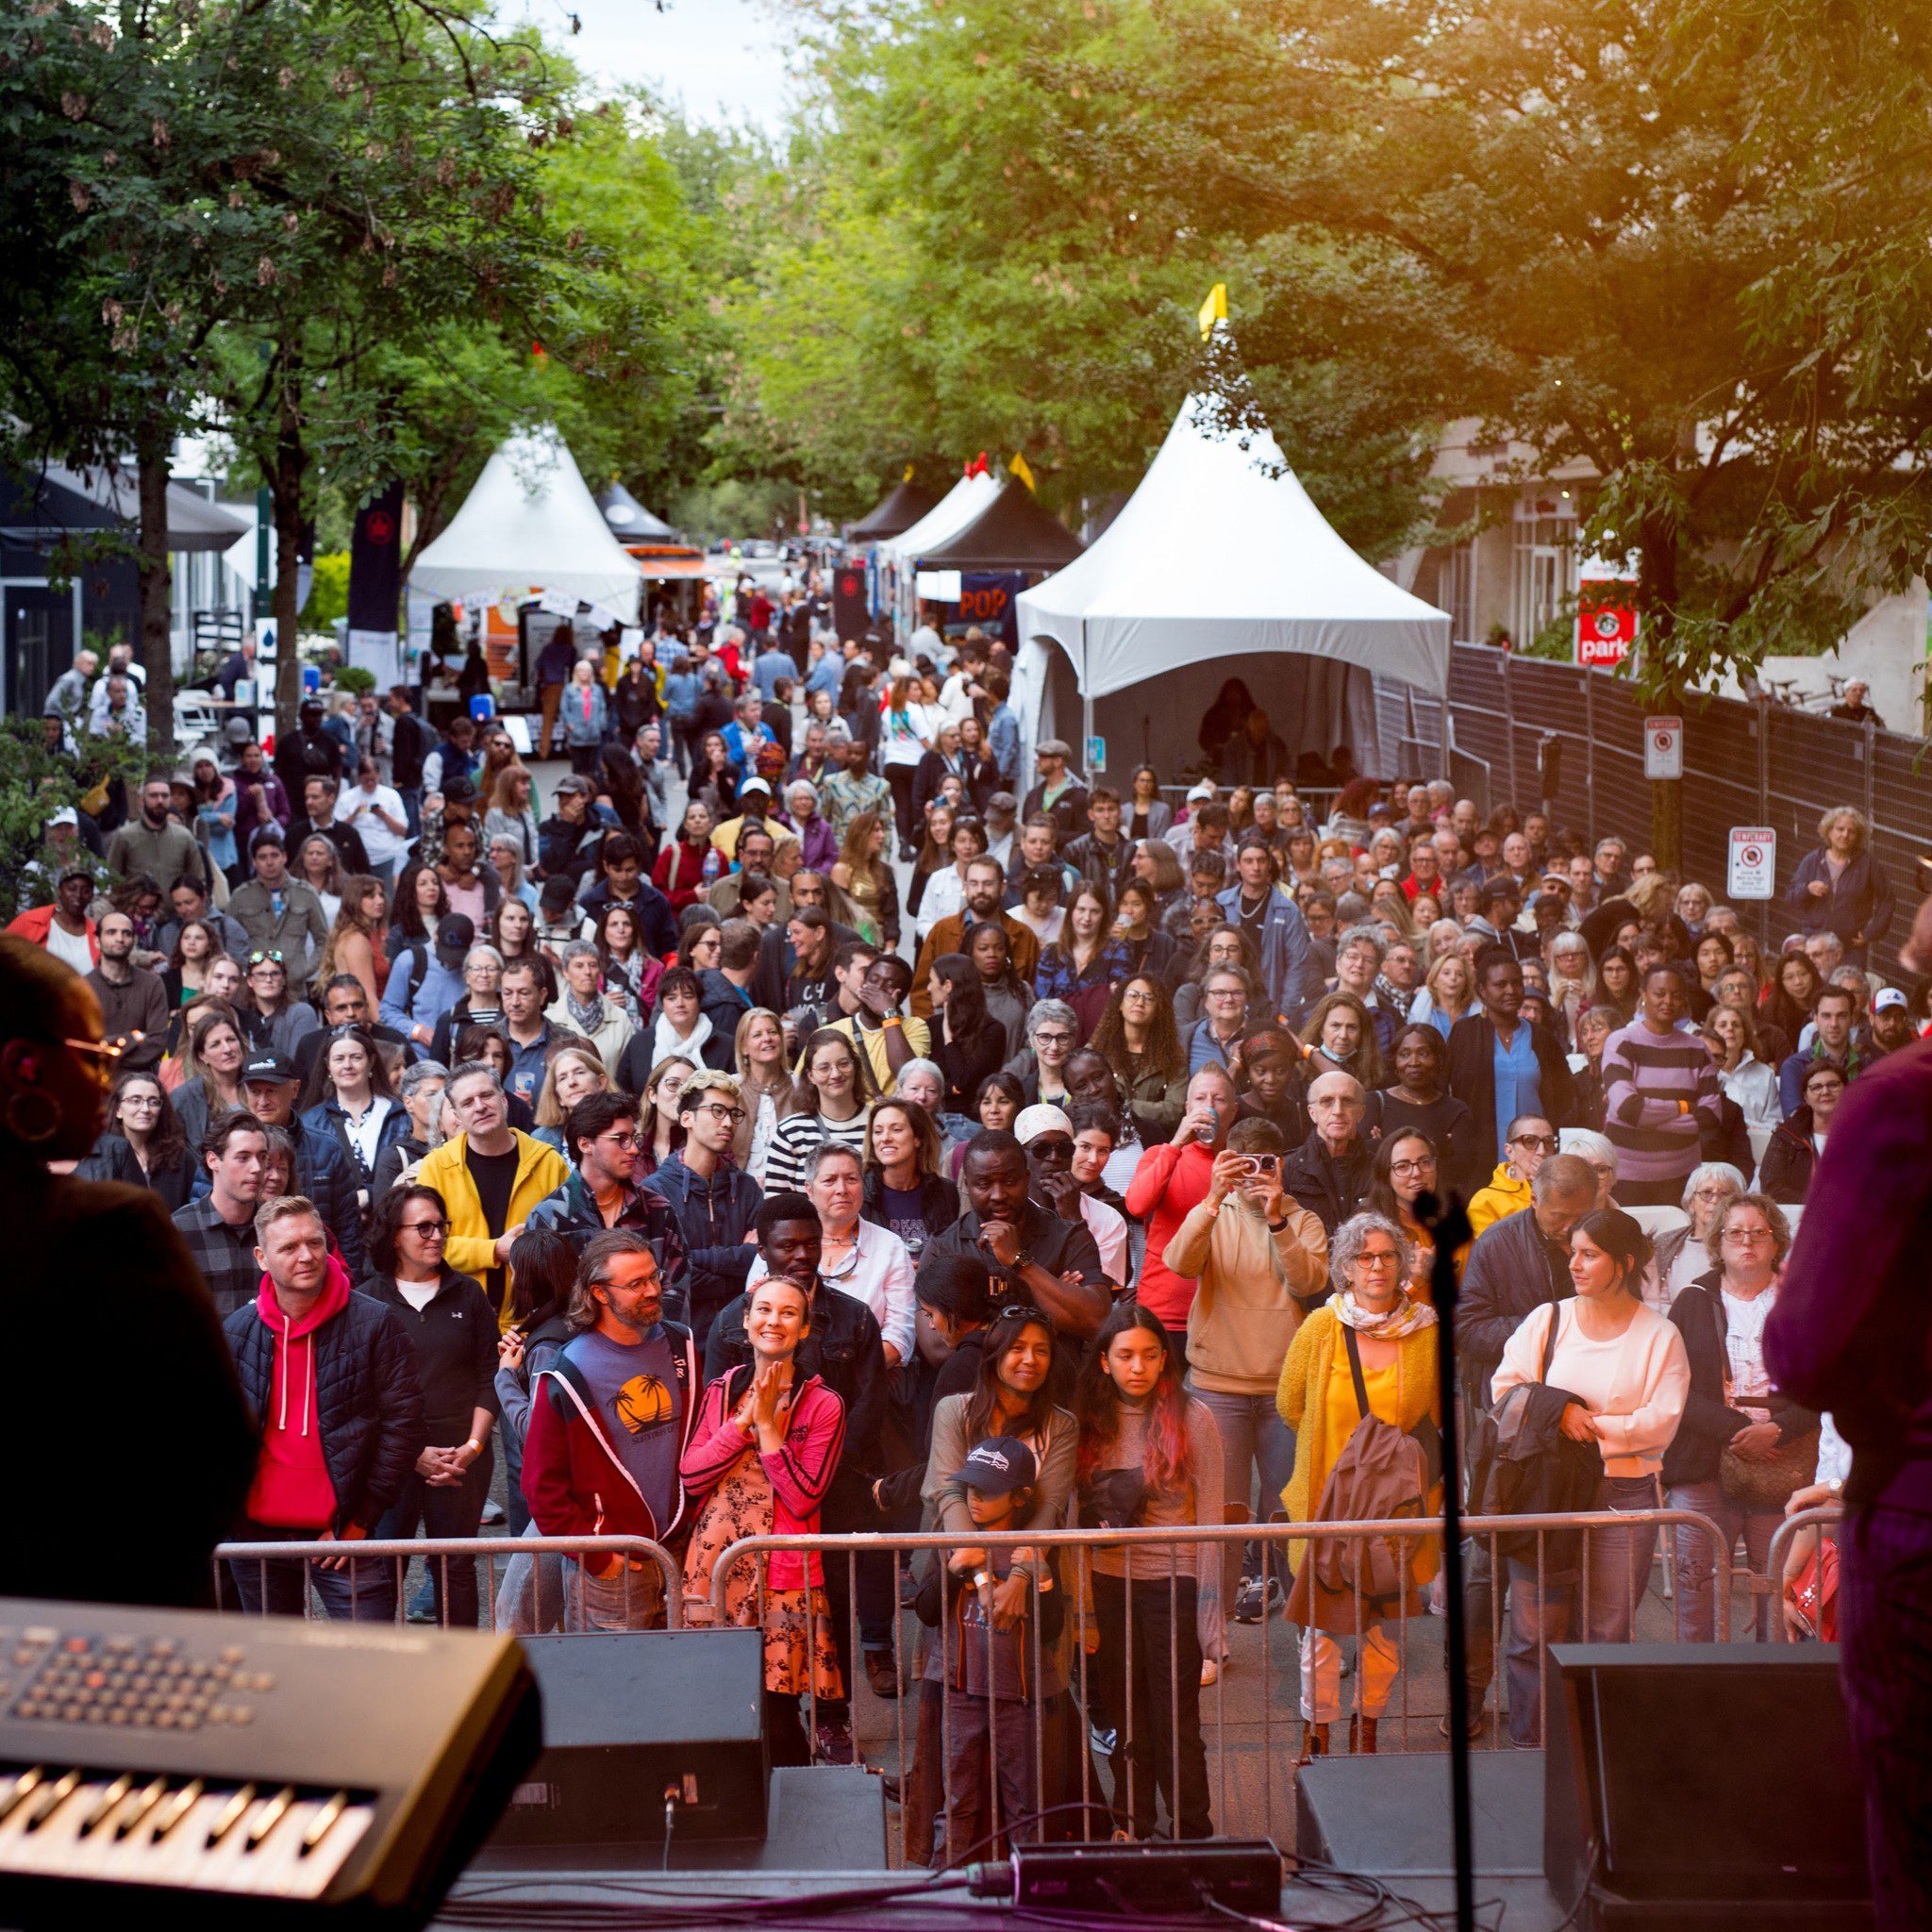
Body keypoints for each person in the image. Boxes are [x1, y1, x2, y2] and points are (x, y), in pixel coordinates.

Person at [1, 940, 257, 1607]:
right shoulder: (110, 1227)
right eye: (95, 1056)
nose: (107, 1081)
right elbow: (215, 1444)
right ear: (24, 1065)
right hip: (108, 1616)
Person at [1277, 1212, 1441, 1761]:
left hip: (1394, 1506)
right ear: (1345, 1268)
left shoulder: (1425, 1331)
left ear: (1402, 1264)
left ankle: (1366, 1729)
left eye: (1388, 1256)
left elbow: (1432, 1415)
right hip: (1327, 1502)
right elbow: (1290, 1404)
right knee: (1321, 1632)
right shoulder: (1320, 1327)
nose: (1377, 1266)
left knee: (1382, 1629)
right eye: (1364, 1257)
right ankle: (1318, 1735)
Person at [222, 1193, 424, 1621]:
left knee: (368, 1656)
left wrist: (362, 1519)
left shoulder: (375, 1323)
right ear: (261, 1258)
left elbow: (404, 1424)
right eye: (289, 1247)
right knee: (275, 1658)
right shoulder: (237, 1331)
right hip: (255, 1538)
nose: (307, 1256)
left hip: (345, 1533)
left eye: (314, 1242)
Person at [681, 1267, 848, 1759]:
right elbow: (691, 1476)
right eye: (765, 1309)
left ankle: (789, 1802)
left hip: (782, 1571)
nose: (774, 1321)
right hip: (715, 1563)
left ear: (804, 1329)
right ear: (747, 1320)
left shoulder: (824, 1404)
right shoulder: (721, 1390)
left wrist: (770, 1427)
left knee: (777, 1709)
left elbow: (804, 1497)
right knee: (717, 1697)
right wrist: (743, 1422)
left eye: (788, 1313)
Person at [1170, 1117, 1327, 1624]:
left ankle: (1308, 1638)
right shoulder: (1212, 1214)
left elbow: (1309, 1283)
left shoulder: (1303, 1220)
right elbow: (1179, 1264)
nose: (1252, 1175)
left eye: (1262, 1164)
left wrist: (1277, 1220)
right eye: (1240, 1165)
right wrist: (1213, 1198)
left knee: (1289, 1518)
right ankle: (1210, 1639)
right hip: (1218, 1387)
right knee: (1221, 1519)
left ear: (1279, 1165)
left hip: (1285, 1390)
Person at [1076, 1301, 1223, 1839]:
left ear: (1165, 1359)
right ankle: (1132, 1825)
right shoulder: (1087, 1422)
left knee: (1177, 1719)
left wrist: (1211, 1621)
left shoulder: (1195, 1418)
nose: (1137, 1367)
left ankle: (1192, 1830)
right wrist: (1082, 1609)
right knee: (1125, 1717)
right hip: (1108, 1583)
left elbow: (1211, 1524)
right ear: (1104, 1361)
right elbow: (1071, 1522)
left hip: (1173, 1584)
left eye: (1149, 1355)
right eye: (1125, 1355)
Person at [522, 1231, 702, 1629]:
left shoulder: (681, 1344)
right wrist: (598, 1559)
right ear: (599, 1293)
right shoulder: (565, 1373)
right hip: (613, 1567)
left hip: (682, 1551)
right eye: (636, 1284)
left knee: (681, 1666)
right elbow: (541, 1487)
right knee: (611, 1669)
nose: (652, 1290)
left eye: (653, 1277)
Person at [1662, 1192, 1813, 1642]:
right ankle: (1700, 1683)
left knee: (1778, 1594)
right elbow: (1674, 1387)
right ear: (1718, 1242)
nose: (1747, 1242)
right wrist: (1740, 1431)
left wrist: (1779, 1430)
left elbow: (1828, 1386)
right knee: (1697, 1596)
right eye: (1735, 1233)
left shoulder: (1803, 1301)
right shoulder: (1692, 1301)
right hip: (1704, 1464)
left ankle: (1773, 1684)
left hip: (1784, 1464)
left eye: (1758, 1233)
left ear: (1776, 1242)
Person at [360, 1186, 499, 1627]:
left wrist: (473, 1447)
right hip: (391, 1458)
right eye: (423, 1227)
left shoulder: (469, 1294)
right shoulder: (367, 1300)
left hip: (462, 1456)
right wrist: (410, 1454)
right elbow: (360, 1394)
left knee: (456, 1568)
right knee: (383, 1569)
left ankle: (460, 1666)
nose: (437, 1236)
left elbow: (491, 1376)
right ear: (393, 1235)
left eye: (441, 1226)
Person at [918, 1130, 1110, 1341]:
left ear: (1027, 1178)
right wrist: (1049, 1301)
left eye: (1009, 1182)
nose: (998, 1195)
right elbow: (935, 1346)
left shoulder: (1070, 1237)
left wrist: (1020, 1262)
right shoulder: (943, 1247)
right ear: (966, 1183)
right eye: (983, 1184)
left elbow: (1097, 1323)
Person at [415, 1059, 569, 1324]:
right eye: (467, 1102)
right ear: (456, 1116)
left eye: (486, 1095)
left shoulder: (548, 1162)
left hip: (535, 1322)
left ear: (504, 1100)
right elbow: (424, 1245)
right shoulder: (436, 1167)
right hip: (460, 1320)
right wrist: (494, 1250)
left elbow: (569, 1243)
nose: (479, 1106)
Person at [641, 1069, 764, 1342]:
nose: (728, 1122)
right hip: (681, 1338)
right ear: (687, 1118)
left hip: (740, 1337)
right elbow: (667, 1276)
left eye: (734, 1113)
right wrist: (735, 1269)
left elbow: (761, 1264)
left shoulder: (747, 1189)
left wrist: (693, 1259)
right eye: (717, 1111)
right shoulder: (655, 1191)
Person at [236, 1051, 368, 1276]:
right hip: (247, 1277)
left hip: (317, 1276)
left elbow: (348, 1231)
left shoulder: (327, 1148)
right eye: (255, 1092)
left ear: (295, 1089)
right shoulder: (227, 1150)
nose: (263, 1101)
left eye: (271, 1091)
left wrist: (346, 1283)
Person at [1600, 965, 1723, 1206]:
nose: (1668, 1001)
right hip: (1626, 1176)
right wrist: (1684, 1107)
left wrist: (1647, 1119)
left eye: (1676, 995)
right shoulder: (1621, 1042)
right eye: (1660, 993)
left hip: (1682, 1176)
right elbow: (1628, 1108)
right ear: (1643, 995)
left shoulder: (1698, 1049)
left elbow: (1710, 1115)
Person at [1447, 946, 1575, 1174]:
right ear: (1482, 990)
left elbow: (1564, 1097)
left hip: (1535, 1158)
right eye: (1500, 984)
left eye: (1517, 983)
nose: (1511, 990)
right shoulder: (1464, 1033)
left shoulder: (1542, 1038)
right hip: (1479, 1159)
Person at [1016, 1101, 1130, 1289]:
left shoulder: (1108, 1219)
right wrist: (1059, 1287)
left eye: (1063, 1149)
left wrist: (1072, 1218)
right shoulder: (1006, 1211)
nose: (1054, 1157)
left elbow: (1096, 1294)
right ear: (1021, 1155)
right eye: (1041, 1149)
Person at [1784, 806, 1892, 965]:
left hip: (1851, 948)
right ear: (1829, 831)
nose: (1845, 835)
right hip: (1815, 946)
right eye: (1840, 829)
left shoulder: (1868, 863)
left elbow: (1887, 899)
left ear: (1858, 836)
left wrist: (1871, 932)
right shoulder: (1813, 860)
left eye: (1851, 831)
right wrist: (1807, 889)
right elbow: (1791, 898)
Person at [1282, 1070, 1374, 1237]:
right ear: (1312, 1113)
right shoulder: (1287, 1168)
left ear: (1361, 1113)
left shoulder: (1379, 1168)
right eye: (1327, 1101)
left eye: (1347, 1101)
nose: (1338, 1110)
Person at [84, 909, 170, 1074]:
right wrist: (133, 1038)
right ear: (97, 941)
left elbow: (157, 1044)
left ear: (133, 941)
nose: (120, 938)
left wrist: (106, 1048)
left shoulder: (152, 984)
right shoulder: (83, 987)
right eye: (111, 932)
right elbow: (84, 1047)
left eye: (126, 933)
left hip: (140, 1080)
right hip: (98, 1079)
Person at [1759, 1060, 1845, 1204]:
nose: (1825, 1092)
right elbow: (1771, 1187)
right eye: (1816, 1087)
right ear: (1806, 1097)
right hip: (1798, 1214)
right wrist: (1817, 1203)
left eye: (1833, 1085)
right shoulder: (1787, 1135)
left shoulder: (1865, 1134)